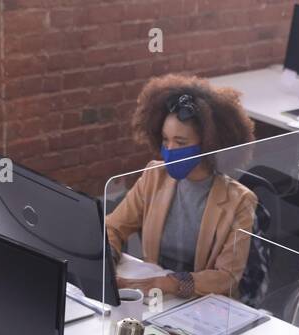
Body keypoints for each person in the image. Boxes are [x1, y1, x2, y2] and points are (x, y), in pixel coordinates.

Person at [106, 74, 258, 300]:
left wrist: (168, 284)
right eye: (165, 140)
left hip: (203, 304)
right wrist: (107, 262)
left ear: (209, 145)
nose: (169, 149)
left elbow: (226, 277)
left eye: (181, 143)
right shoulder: (154, 176)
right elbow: (113, 228)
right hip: (155, 299)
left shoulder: (240, 201)